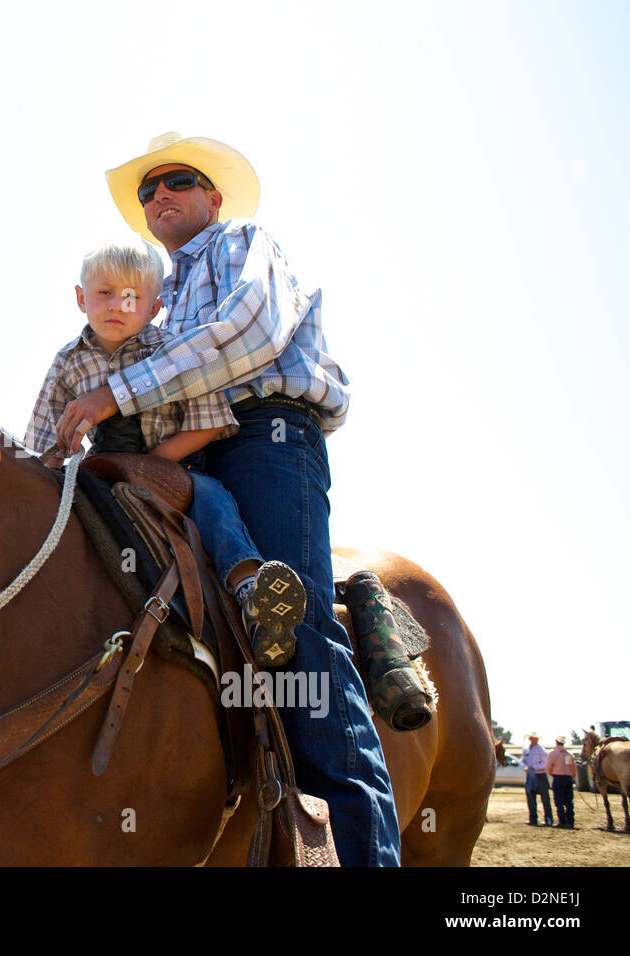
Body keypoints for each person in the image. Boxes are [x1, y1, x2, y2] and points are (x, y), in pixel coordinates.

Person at [54, 131, 429, 865]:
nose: (162, 196)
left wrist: (111, 393)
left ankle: (363, 851)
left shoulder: (237, 243)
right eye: (148, 190)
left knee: (301, 641)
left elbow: (250, 331)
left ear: (212, 197)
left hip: (266, 437)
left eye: (178, 182)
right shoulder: (156, 303)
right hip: (194, 449)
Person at [24, 238, 307, 662]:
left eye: (133, 297)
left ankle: (251, 592)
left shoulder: (172, 352)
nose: (118, 305)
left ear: (155, 307)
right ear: (81, 299)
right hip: (97, 472)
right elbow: (42, 443)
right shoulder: (69, 362)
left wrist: (154, 465)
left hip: (175, 469)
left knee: (214, 502)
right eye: (104, 294)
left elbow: (209, 424)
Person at [522, 732, 555, 827]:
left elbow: (545, 763)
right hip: (530, 776)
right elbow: (523, 760)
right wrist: (525, 767)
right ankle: (533, 819)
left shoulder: (541, 750)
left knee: (545, 799)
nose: (533, 740)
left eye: (534, 738)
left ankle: (548, 819)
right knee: (531, 799)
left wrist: (533, 767)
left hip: (540, 775)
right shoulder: (526, 749)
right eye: (532, 738)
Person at [545, 735, 576, 828]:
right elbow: (573, 768)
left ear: (556, 742)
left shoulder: (552, 753)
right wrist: (572, 777)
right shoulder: (568, 754)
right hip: (568, 778)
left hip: (558, 778)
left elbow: (548, 767)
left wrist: (553, 774)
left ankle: (562, 821)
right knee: (569, 801)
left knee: (559, 801)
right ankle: (570, 821)